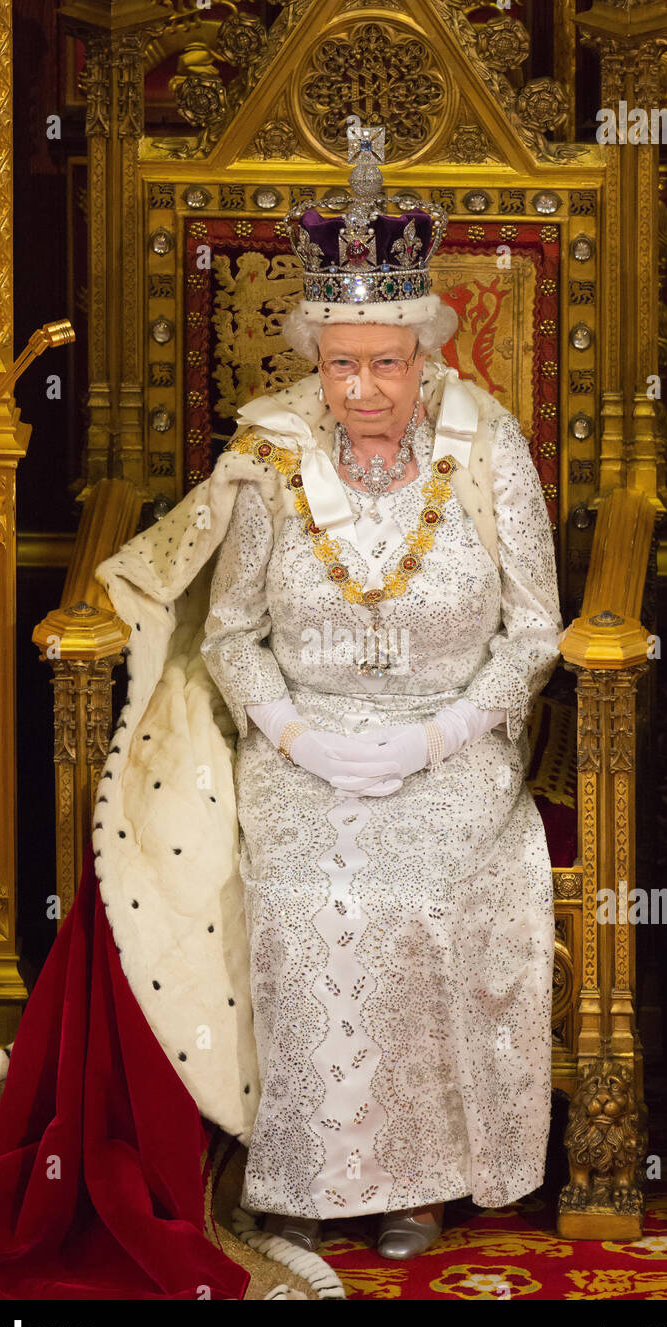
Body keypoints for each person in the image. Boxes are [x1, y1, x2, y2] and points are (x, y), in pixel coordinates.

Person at [195, 124, 564, 1258]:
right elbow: (229, 633)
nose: (365, 388)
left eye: (387, 362)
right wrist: (295, 733)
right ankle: (303, 1171)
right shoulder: (265, 456)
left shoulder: (485, 443)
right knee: (303, 892)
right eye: (342, 362)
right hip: (307, 741)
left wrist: (446, 730)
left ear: (425, 354)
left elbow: (538, 624)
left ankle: (418, 1181)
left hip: (451, 744)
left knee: (423, 891)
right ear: (316, 355)